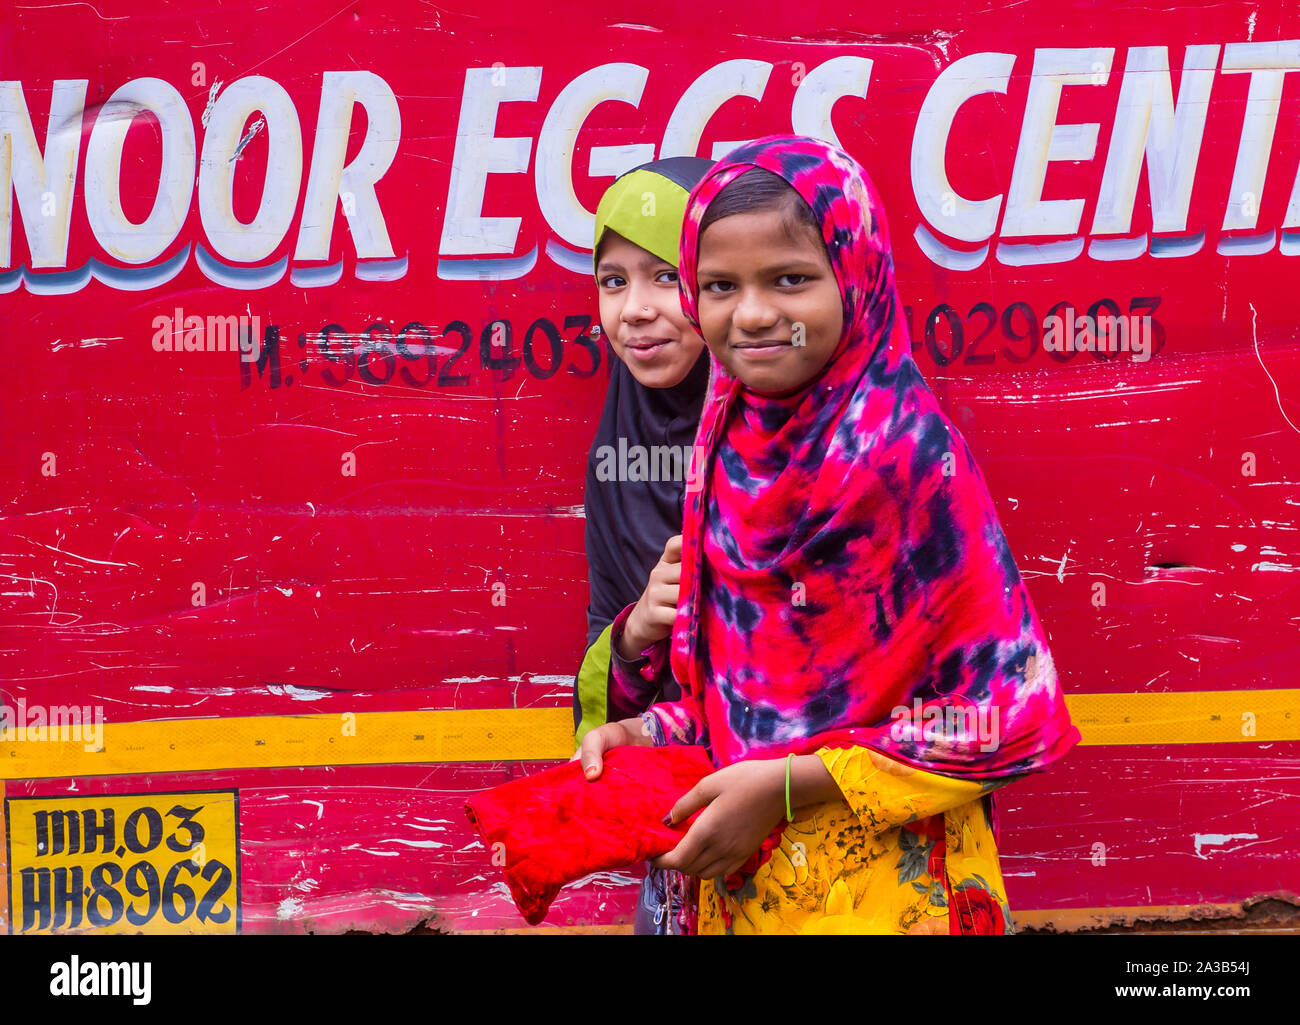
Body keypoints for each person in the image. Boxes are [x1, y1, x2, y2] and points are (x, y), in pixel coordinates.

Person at [576, 135, 1081, 934]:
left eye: (791, 280)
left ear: (856, 273)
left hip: (889, 893)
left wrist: (785, 788)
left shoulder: (906, 455)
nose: (750, 313)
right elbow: (751, 700)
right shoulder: (729, 442)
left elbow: (1003, 714)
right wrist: (647, 732)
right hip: (751, 888)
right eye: (717, 285)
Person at [572, 155, 715, 933]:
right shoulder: (617, 456)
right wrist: (637, 630)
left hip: (821, 824)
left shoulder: (801, 434)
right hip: (686, 828)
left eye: (667, 275)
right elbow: (601, 690)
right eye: (613, 280)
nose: (633, 309)